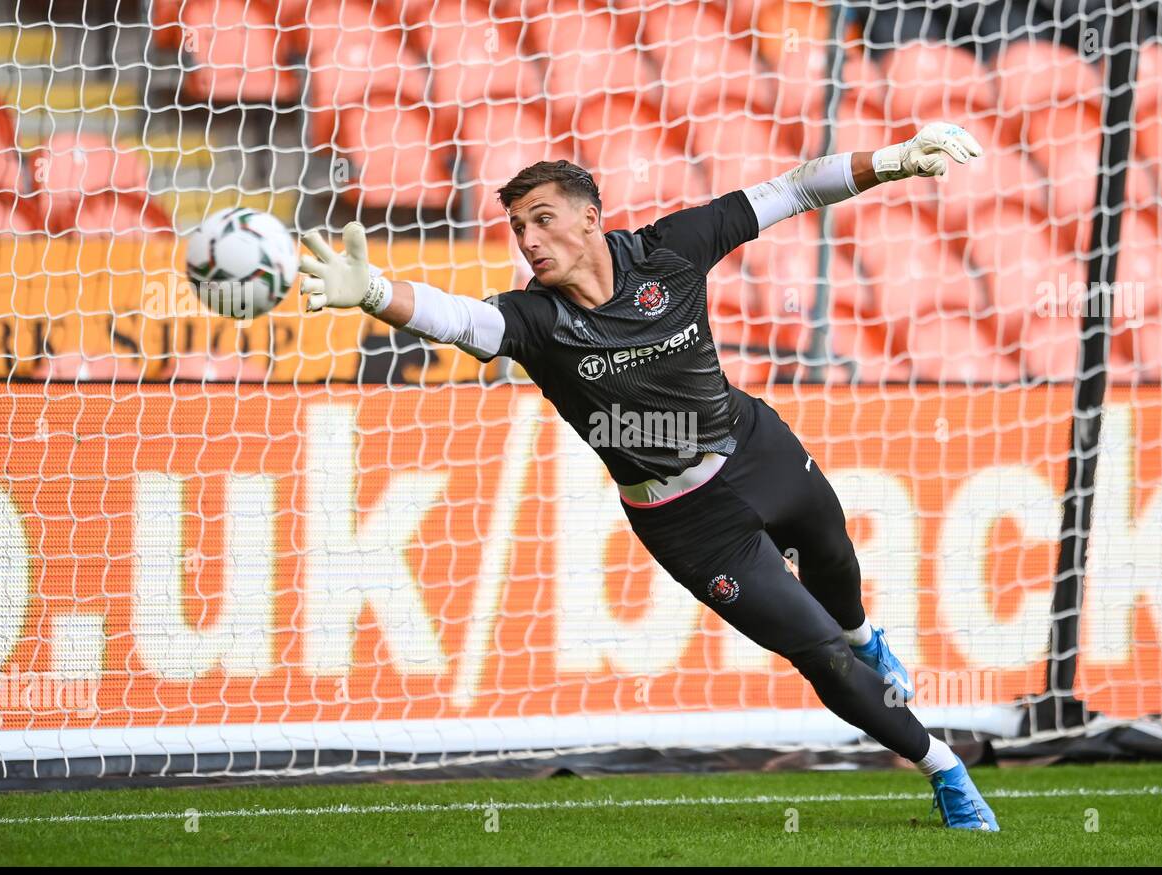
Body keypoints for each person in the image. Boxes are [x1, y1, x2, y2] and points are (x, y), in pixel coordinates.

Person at [298, 121, 1000, 830]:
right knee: (817, 652)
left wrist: (894, 160)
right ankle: (943, 767)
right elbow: (453, 320)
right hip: (688, 522)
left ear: (591, 219)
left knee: (833, 557)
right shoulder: (534, 321)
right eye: (517, 229)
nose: (530, 241)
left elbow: (791, 190)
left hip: (756, 448)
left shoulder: (671, 250)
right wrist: (373, 290)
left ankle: (864, 633)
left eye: (543, 220)